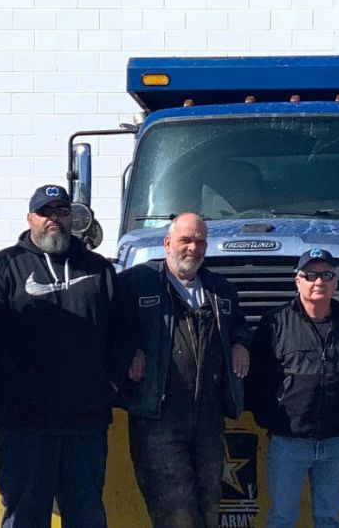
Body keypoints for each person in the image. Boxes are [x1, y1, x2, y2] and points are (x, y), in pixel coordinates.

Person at [0, 184, 121, 527]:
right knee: (25, 517)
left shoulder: (99, 269)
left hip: (85, 423)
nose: (53, 219)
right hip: (24, 423)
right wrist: (7, 383)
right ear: (30, 218)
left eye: (61, 211)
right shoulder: (4, 266)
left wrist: (109, 383)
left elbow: (121, 332)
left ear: (72, 217)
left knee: (87, 517)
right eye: (45, 213)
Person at [113, 213, 249, 528]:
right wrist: (129, 351)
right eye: (186, 240)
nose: (193, 248)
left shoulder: (220, 289)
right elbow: (110, 327)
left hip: (208, 418)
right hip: (158, 416)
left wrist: (240, 342)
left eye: (200, 241)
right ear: (167, 243)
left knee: (208, 507)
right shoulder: (136, 282)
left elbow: (239, 325)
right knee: (175, 512)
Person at [247, 248, 339, 528]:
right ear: (297, 281)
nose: (318, 282)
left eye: (326, 275)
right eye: (310, 275)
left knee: (329, 518)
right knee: (282, 518)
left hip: (335, 441)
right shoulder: (275, 322)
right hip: (288, 442)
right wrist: (272, 420)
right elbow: (257, 379)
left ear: (336, 282)